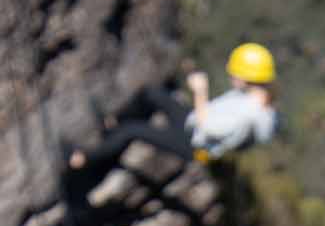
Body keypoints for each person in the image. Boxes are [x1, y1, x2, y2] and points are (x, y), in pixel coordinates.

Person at [67, 42, 278, 180]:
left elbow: (208, 127)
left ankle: (82, 158)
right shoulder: (251, 99)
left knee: (133, 131)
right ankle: (112, 124)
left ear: (248, 76)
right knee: (152, 94)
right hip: (192, 122)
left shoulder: (248, 115)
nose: (231, 76)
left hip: (193, 143)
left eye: (235, 73)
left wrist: (200, 91)